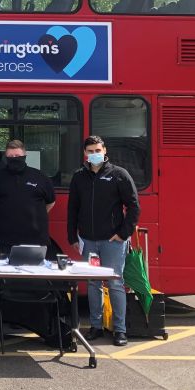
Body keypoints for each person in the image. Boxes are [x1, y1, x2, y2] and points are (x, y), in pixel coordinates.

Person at [0, 139, 56, 345]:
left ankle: (42, 329)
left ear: (25, 156)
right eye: (10, 157)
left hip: (35, 244)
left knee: (36, 288)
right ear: (6, 157)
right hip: (4, 243)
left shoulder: (39, 177)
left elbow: (50, 202)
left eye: (18, 157)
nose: (14, 160)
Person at [67, 135, 140, 347]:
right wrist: (72, 236)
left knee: (115, 283)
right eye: (89, 151)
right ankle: (96, 326)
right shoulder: (79, 177)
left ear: (104, 150)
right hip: (88, 242)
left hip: (113, 242)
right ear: (84, 154)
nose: (94, 154)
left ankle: (120, 330)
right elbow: (73, 208)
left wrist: (123, 234)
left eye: (97, 150)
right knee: (92, 284)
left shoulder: (119, 175)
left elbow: (134, 206)